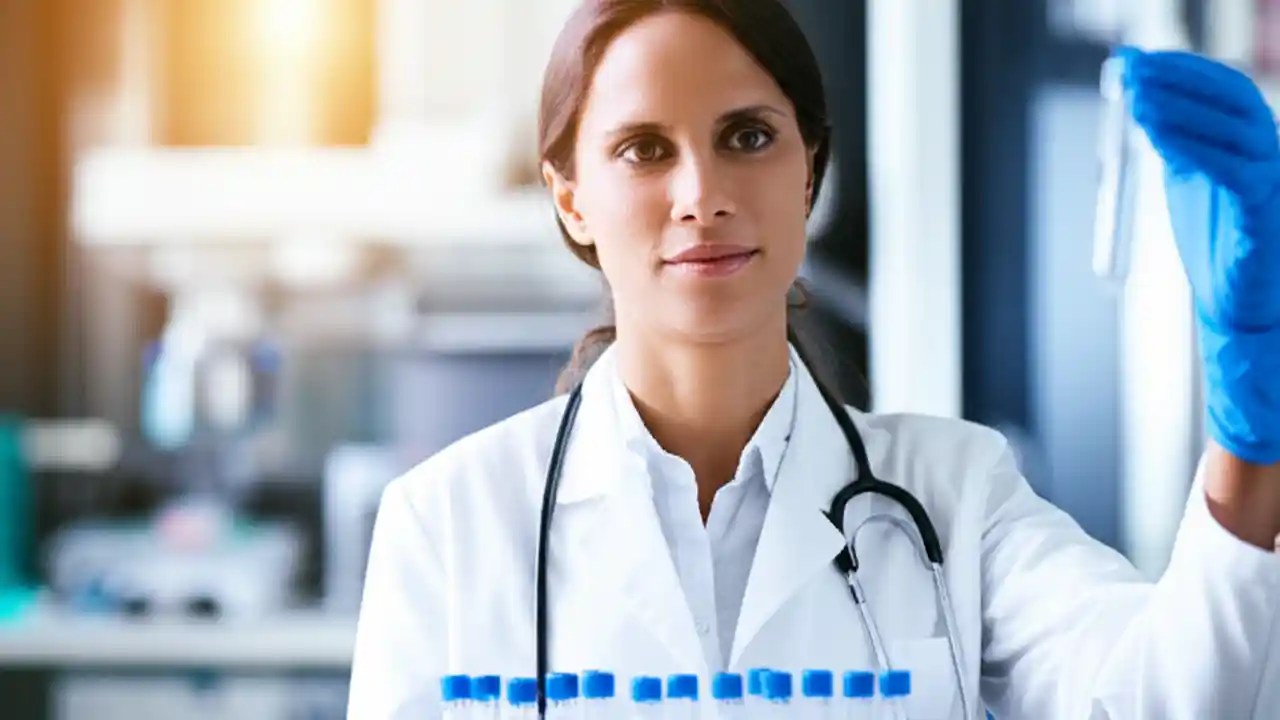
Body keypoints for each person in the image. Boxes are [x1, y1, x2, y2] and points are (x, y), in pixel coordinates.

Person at [348, 1, 1280, 717]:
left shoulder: (955, 498)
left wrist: (1251, 433)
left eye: (747, 137)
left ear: (808, 171)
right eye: (642, 150)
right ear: (571, 200)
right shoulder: (447, 526)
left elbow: (1165, 698)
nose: (702, 195)